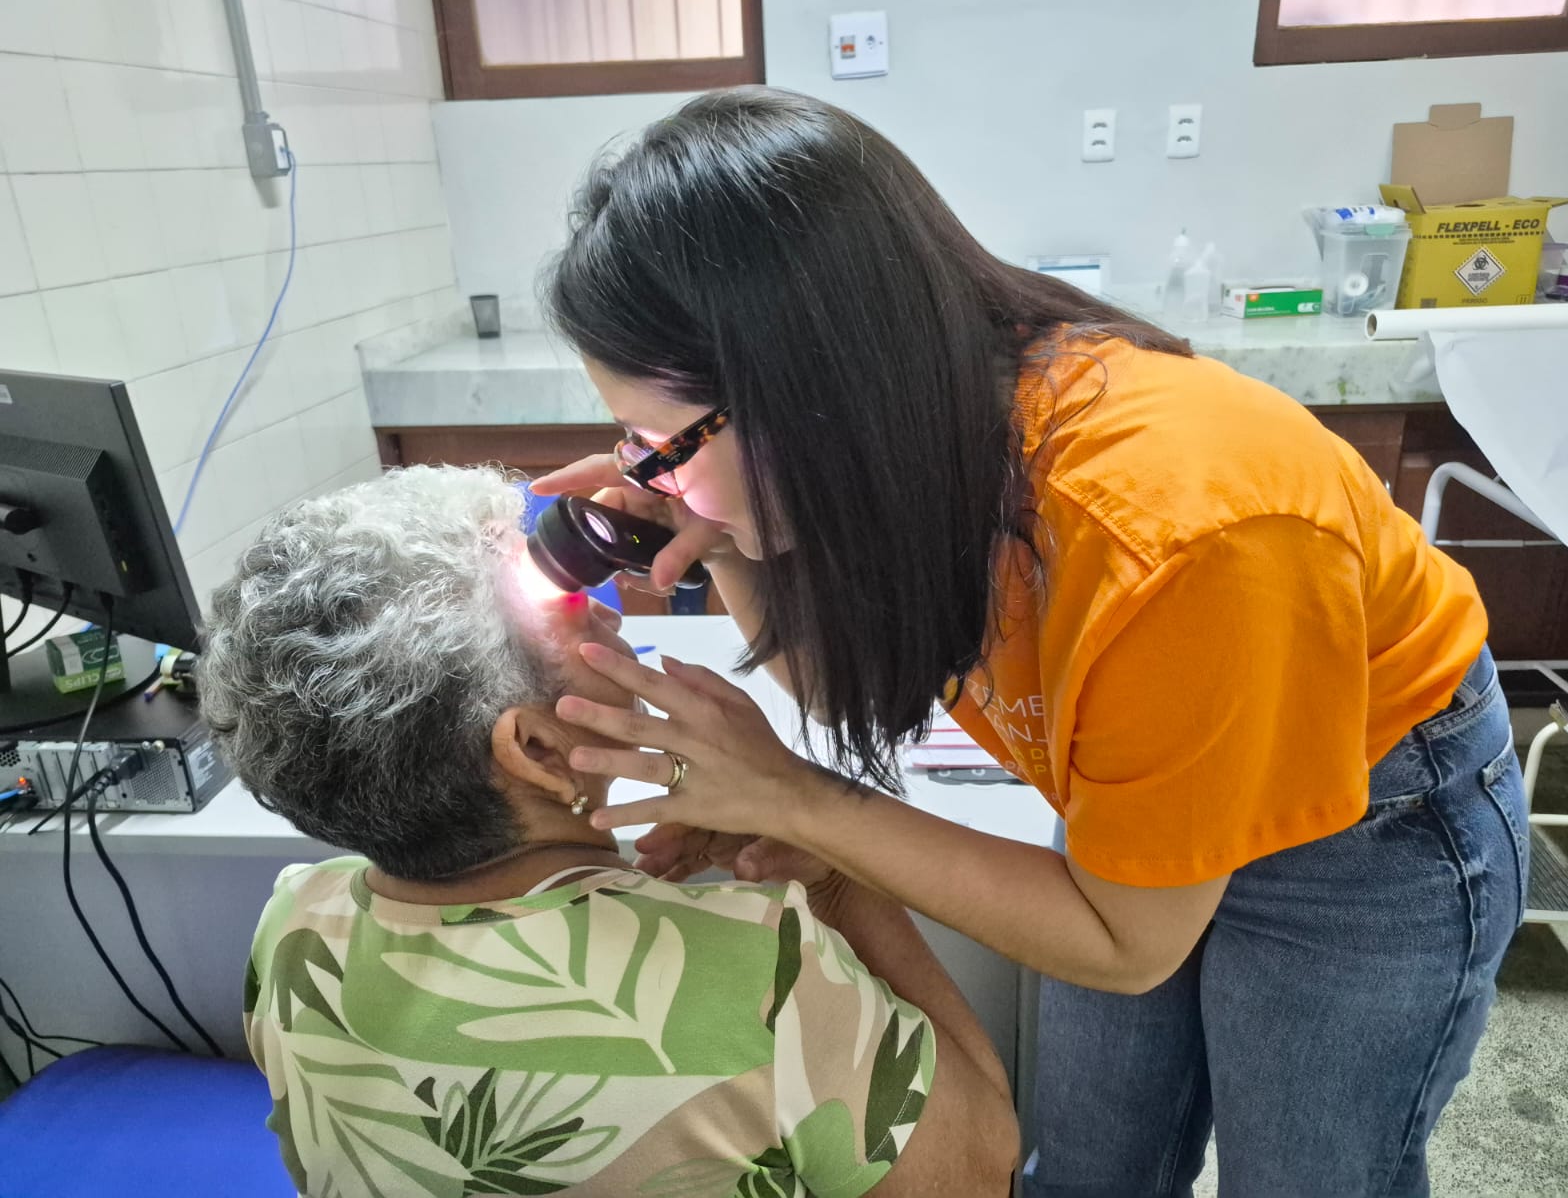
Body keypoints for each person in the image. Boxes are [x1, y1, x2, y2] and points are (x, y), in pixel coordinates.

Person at [532, 87, 1530, 1197]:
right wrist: (723, 538)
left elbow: (1124, 942)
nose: (645, 477)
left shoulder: (1173, 535)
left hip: (1370, 815)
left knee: (1308, 1177)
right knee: (1091, 1164)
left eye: (662, 443)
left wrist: (794, 802)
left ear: (807, 389)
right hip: (1138, 792)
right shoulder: (913, 441)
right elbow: (841, 693)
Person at [198, 464, 1018, 1197]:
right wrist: (835, 879)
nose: (605, 613)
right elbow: (983, 1167)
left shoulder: (297, 927)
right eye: (566, 610)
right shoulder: (753, 970)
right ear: (538, 750)